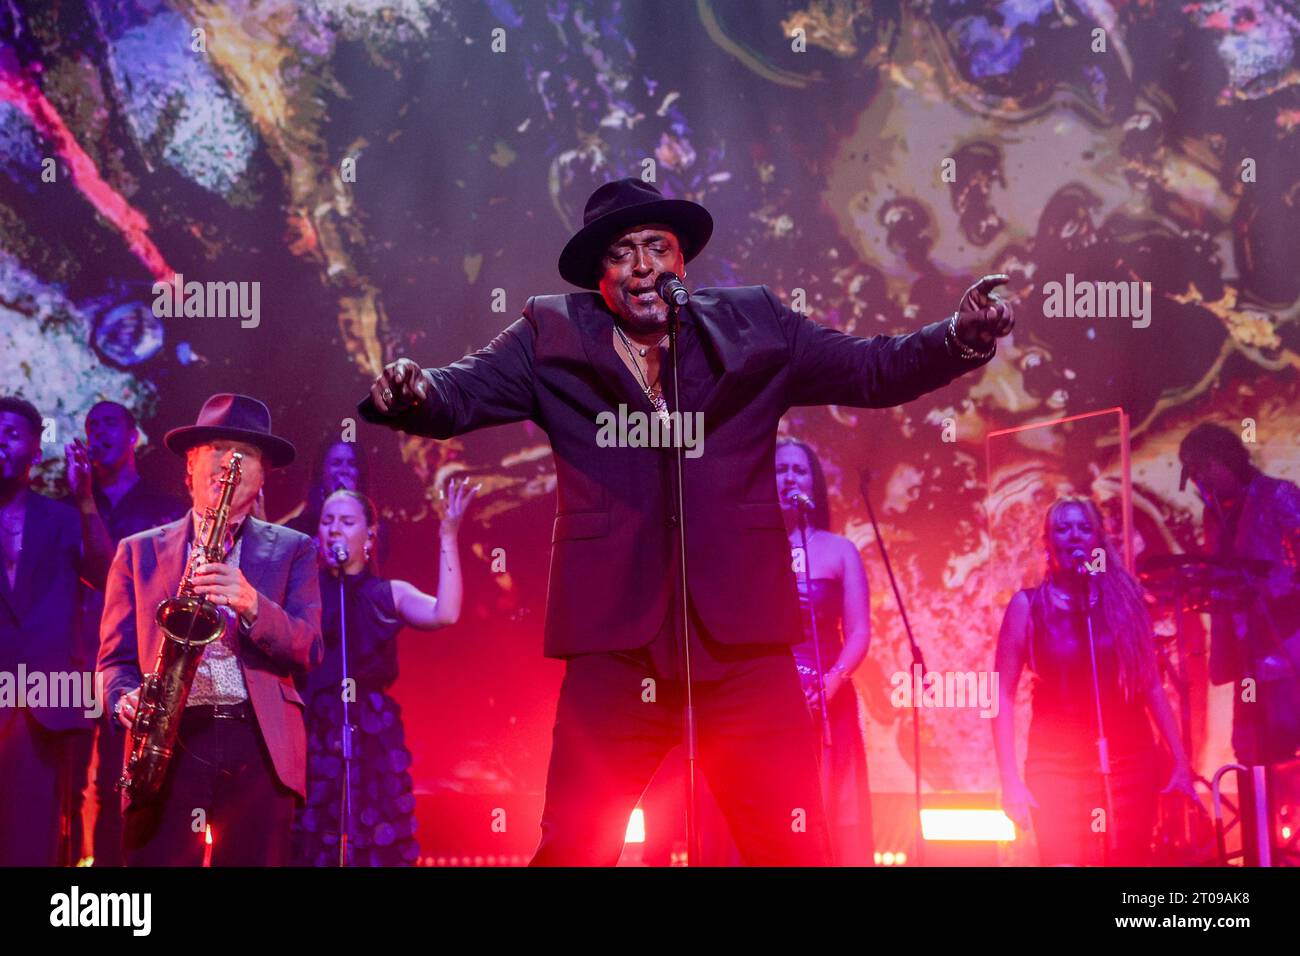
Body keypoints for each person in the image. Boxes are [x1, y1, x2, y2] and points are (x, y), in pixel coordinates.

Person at [360, 178, 1014, 866]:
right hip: (617, 644)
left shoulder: (754, 325)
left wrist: (956, 338)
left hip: (743, 647)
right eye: (621, 253)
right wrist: (415, 391)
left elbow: (871, 368)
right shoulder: (550, 334)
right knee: (575, 847)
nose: (642, 265)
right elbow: (454, 392)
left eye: (655, 247)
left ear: (681, 262)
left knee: (793, 847)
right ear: (599, 277)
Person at [98, 394, 323, 865]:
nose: (232, 462)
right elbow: (114, 660)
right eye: (219, 447)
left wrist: (252, 603)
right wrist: (124, 697)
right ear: (189, 466)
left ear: (262, 477)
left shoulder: (295, 549)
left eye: (247, 454)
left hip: (258, 745)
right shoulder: (135, 552)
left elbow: (310, 648)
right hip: (168, 739)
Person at [993, 496, 1196, 865]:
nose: (1074, 536)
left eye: (1084, 528)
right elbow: (1001, 697)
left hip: (1129, 758)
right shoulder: (1028, 607)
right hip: (1056, 762)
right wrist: (1009, 780)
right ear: (1048, 542)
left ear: (1099, 540)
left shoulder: (1124, 601)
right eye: (1063, 528)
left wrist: (1180, 762)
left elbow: (1150, 685)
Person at [294, 479, 476, 866]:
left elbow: (445, 612)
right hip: (313, 730)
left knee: (375, 834)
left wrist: (447, 533)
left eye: (347, 521)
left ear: (370, 536)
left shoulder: (388, 593)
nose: (335, 529)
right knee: (314, 838)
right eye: (327, 521)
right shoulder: (304, 591)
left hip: (370, 733)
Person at [0, 395, 113, 865]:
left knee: (34, 844)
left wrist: (85, 496)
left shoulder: (65, 517)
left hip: (43, 705)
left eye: (11, 434)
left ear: (36, 451)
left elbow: (106, 574)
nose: (0, 444)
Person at [73, 400, 187, 866]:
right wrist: (81, 498)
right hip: (78, 660)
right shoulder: (71, 506)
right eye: (91, 425)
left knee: (122, 784)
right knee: (74, 784)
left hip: (136, 662)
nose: (99, 432)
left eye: (109, 424)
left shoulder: (164, 509)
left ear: (133, 437)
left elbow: (106, 571)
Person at [1178, 422, 1300, 765]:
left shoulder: (1278, 495)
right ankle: (1261, 814)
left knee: (1286, 734)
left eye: (1204, 471)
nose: (1203, 483)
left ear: (1225, 460)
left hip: (1288, 651)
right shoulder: (1214, 515)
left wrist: (1277, 589)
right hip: (1247, 659)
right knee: (1251, 748)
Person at [776, 436, 874, 865]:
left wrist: (832, 684)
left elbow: (858, 632)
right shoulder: (748, 550)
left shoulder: (840, 551)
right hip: (767, 700)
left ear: (813, 484)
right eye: (780, 470)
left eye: (799, 470)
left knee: (830, 814)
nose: (790, 477)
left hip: (827, 699)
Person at [281, 437, 370, 539]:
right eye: (336, 463)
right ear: (322, 471)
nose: (344, 470)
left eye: (351, 464)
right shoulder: (301, 527)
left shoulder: (373, 526)